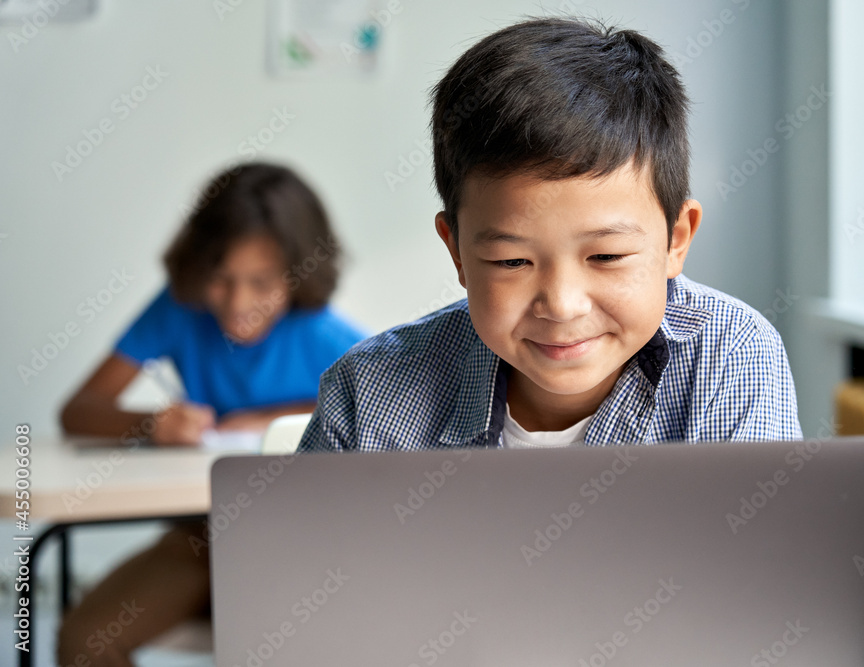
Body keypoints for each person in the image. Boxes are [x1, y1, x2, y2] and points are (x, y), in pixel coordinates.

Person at [298, 17, 801, 455]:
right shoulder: (368, 393)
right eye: (512, 262)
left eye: (606, 255)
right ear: (456, 250)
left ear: (676, 240)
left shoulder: (731, 355)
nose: (561, 306)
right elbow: (305, 563)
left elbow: (762, 560)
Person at [58, 162, 366, 666]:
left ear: (298, 275)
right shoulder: (180, 310)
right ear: (198, 269)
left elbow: (395, 409)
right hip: (202, 541)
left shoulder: (324, 335)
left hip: (309, 549)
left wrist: (272, 418)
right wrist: (150, 424)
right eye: (221, 280)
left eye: (261, 282)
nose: (238, 302)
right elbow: (78, 411)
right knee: (84, 639)